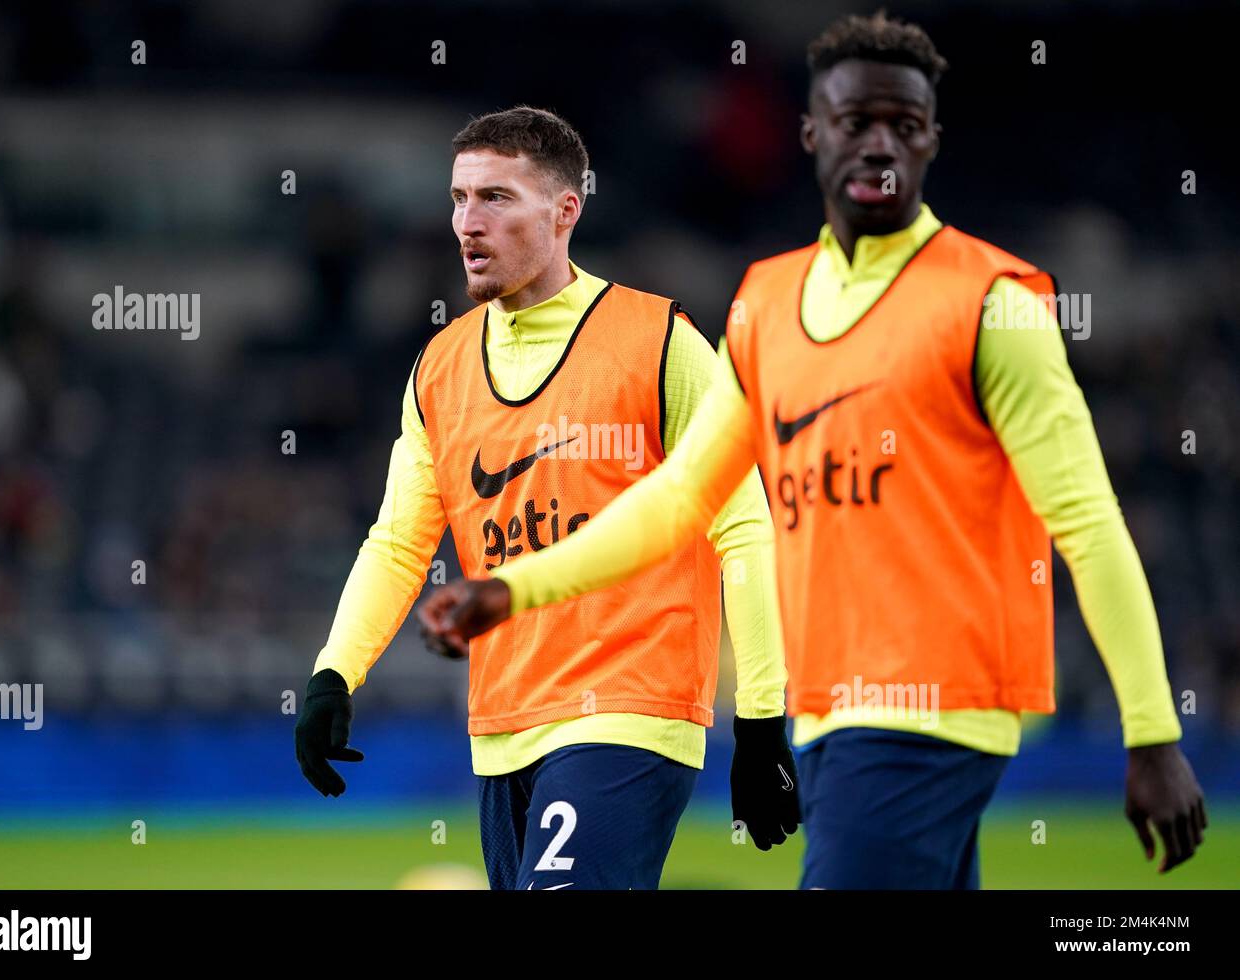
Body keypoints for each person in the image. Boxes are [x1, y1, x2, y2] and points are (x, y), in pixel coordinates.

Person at [418, 17, 1207, 889]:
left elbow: (1089, 522)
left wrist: (1152, 731)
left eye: (903, 126)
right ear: (811, 134)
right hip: (831, 715)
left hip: (933, 708)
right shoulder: (767, 302)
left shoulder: (994, 303)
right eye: (853, 121)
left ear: (932, 140)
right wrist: (509, 588)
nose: (878, 144)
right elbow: (682, 499)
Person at [294, 106, 798, 890]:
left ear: (566, 210)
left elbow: (743, 526)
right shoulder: (439, 369)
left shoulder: (661, 342)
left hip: (628, 712)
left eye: (495, 198)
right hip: (503, 726)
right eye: (459, 199)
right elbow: (399, 543)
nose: (468, 222)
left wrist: (763, 717)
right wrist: (335, 673)